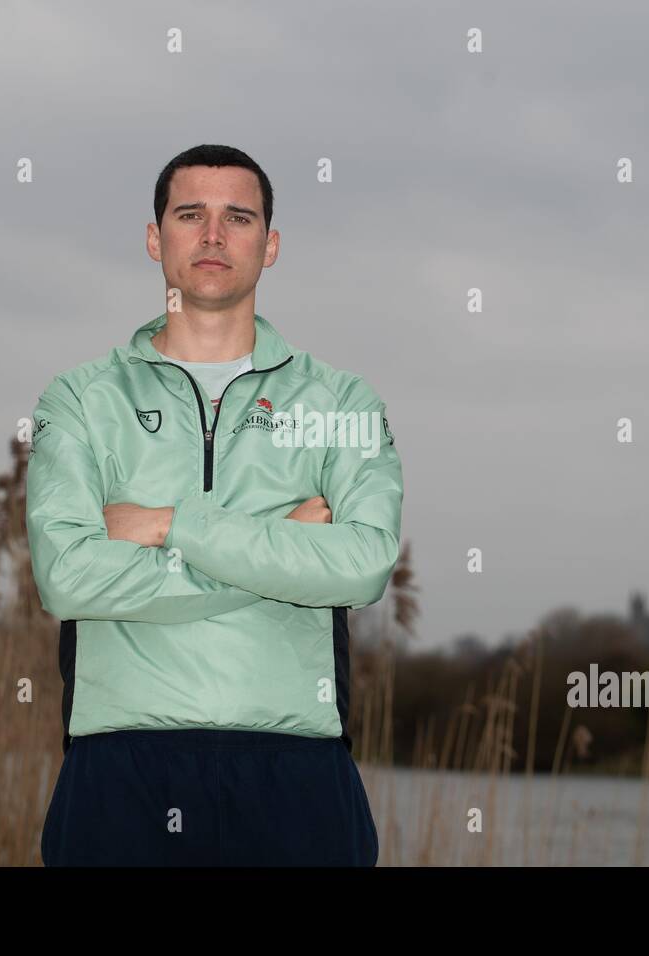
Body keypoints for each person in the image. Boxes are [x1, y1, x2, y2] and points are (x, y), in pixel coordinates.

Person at [25, 144, 404, 866]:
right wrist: (278, 551)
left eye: (238, 217)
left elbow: (363, 564)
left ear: (271, 245)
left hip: (296, 770)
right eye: (190, 214)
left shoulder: (341, 401)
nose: (212, 235)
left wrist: (171, 525)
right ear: (153, 237)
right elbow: (68, 578)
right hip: (119, 765)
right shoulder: (80, 398)